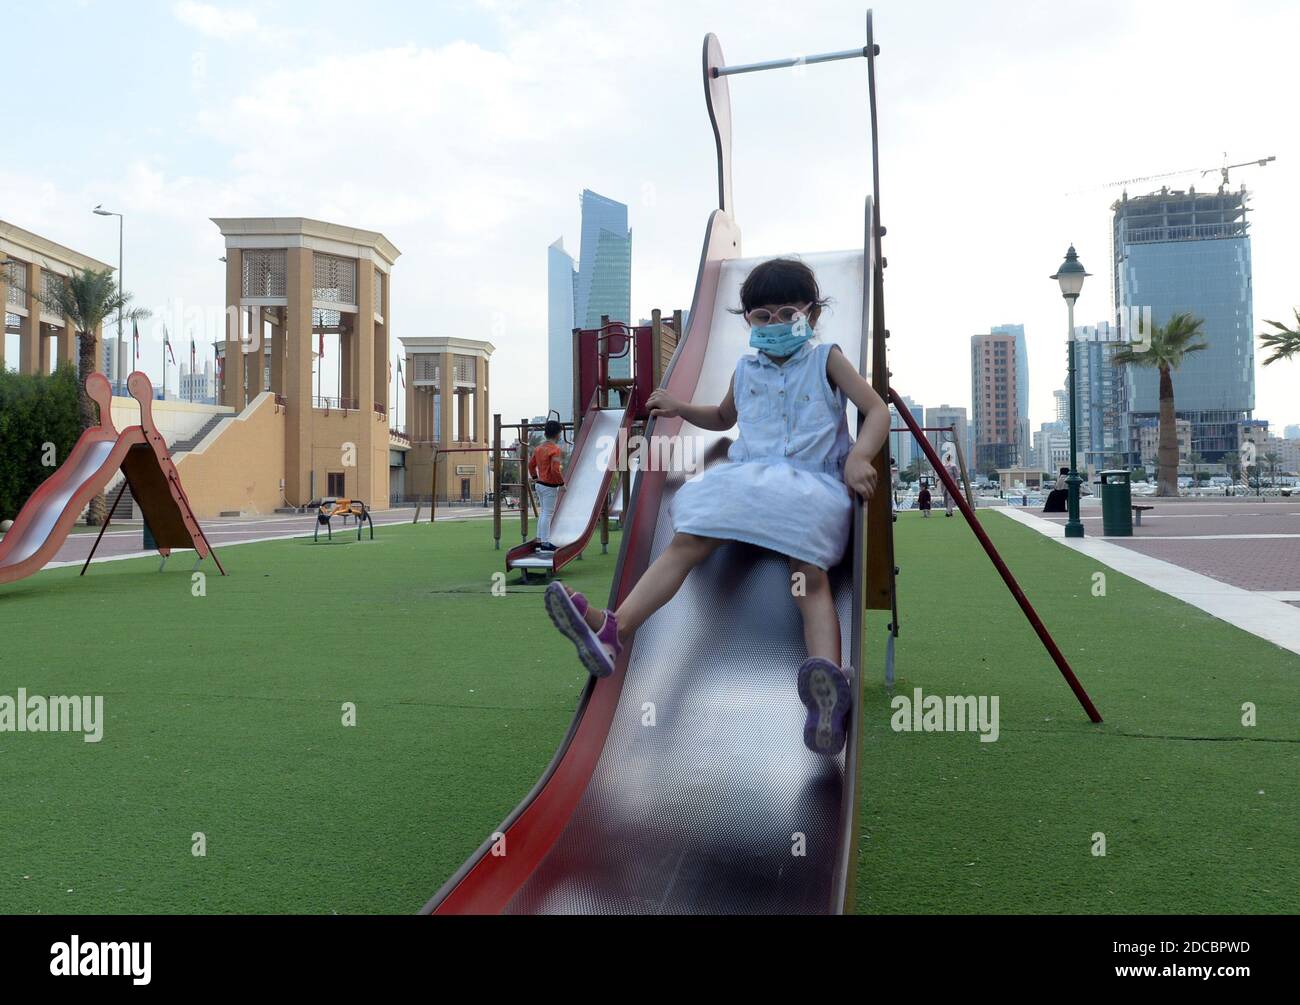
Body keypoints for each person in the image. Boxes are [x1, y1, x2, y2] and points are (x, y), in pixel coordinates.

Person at [542, 257, 890, 756]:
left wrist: (859, 456)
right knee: (687, 539)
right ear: (747, 320)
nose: (773, 324)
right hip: (748, 479)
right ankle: (611, 630)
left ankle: (828, 690)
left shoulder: (825, 358)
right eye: (761, 316)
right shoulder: (745, 368)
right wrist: (682, 409)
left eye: (786, 313)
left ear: (811, 316)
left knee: (807, 577)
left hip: (810, 484)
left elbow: (875, 408)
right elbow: (724, 415)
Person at [528, 420, 565, 551]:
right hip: (549, 486)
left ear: (545, 433)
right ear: (558, 435)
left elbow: (530, 465)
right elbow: (555, 470)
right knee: (548, 514)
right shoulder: (555, 450)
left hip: (539, 484)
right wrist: (562, 484)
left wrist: (534, 477)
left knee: (544, 512)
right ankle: (545, 542)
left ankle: (540, 538)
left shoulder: (538, 448)